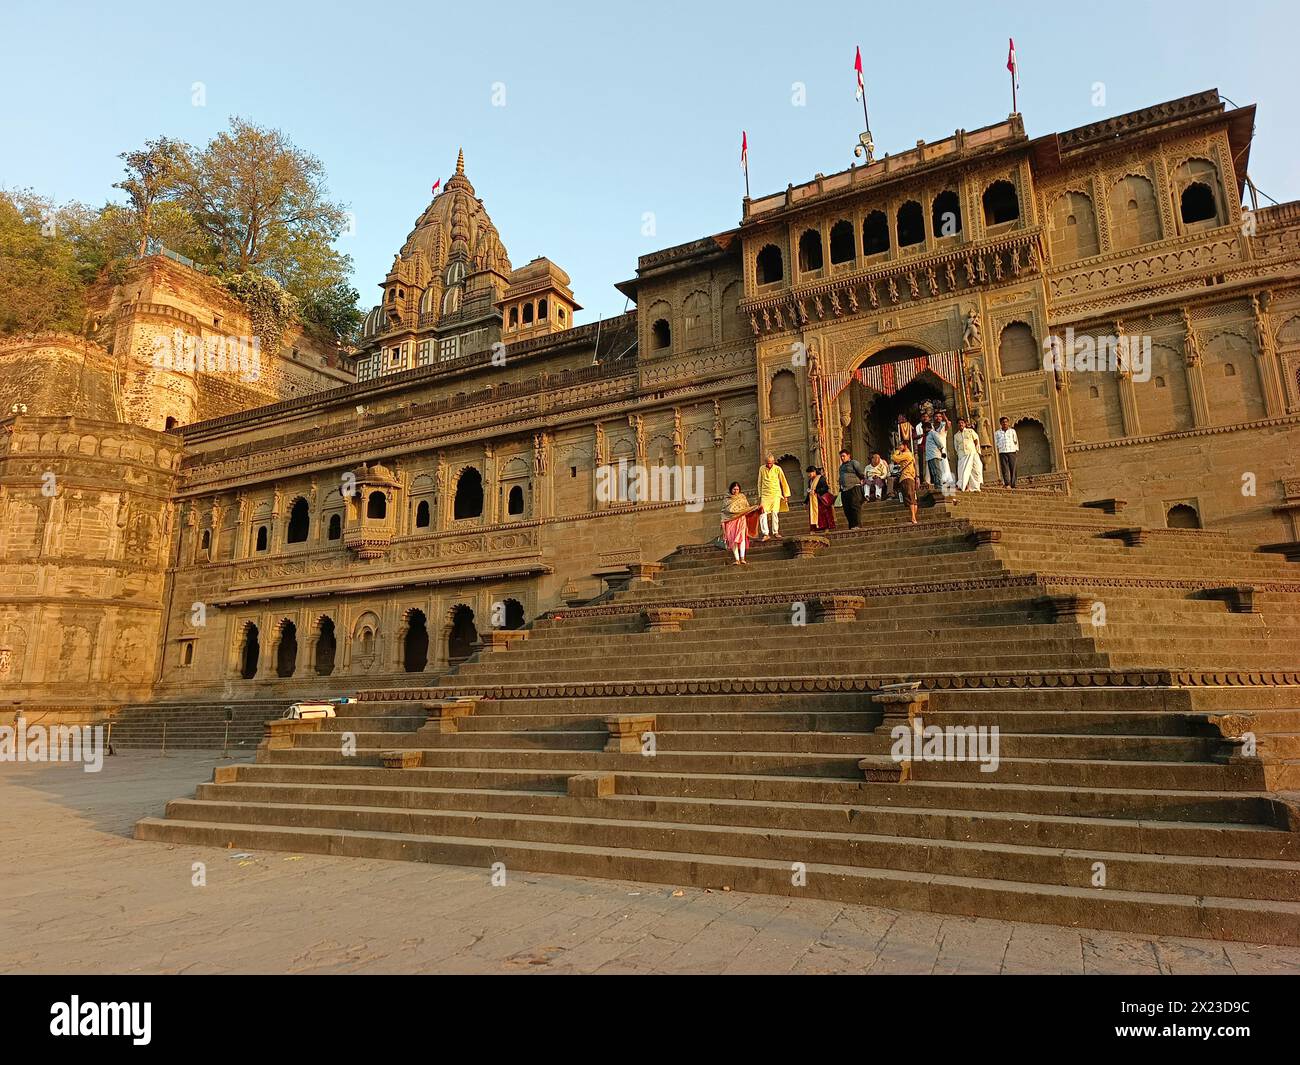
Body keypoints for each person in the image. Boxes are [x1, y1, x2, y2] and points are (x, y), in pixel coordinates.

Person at [720, 481, 761, 564]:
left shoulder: (742, 497)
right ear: (731, 489)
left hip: (741, 520)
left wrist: (756, 508)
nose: (736, 491)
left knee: (741, 539)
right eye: (734, 489)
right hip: (730, 521)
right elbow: (724, 513)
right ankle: (737, 559)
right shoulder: (727, 499)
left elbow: (747, 509)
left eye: (737, 489)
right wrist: (723, 528)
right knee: (733, 540)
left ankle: (742, 558)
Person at [756, 454, 790, 540]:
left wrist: (785, 495)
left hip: (775, 494)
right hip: (765, 494)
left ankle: (775, 532)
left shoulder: (778, 469)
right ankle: (765, 534)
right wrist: (760, 496)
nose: (769, 465)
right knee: (762, 513)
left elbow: (783, 481)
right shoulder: (762, 469)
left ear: (773, 462)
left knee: (775, 513)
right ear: (765, 462)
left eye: (771, 463)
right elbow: (759, 483)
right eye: (768, 463)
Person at [890, 439, 919, 524]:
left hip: (906, 477)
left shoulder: (906, 454)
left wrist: (896, 451)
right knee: (912, 498)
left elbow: (894, 458)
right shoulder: (910, 455)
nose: (899, 447)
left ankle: (913, 518)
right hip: (910, 477)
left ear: (905, 446)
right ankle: (913, 517)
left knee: (910, 498)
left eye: (901, 445)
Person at [837, 448, 866, 528]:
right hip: (844, 490)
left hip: (854, 487)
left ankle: (857, 525)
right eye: (841, 457)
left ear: (848, 455)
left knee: (855, 507)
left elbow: (860, 473)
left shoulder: (854, 463)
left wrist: (862, 480)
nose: (842, 458)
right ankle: (851, 526)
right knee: (847, 509)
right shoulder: (841, 467)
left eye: (843, 456)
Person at [954, 417, 983, 492]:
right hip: (962, 455)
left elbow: (976, 440)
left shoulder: (970, 431)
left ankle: (975, 487)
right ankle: (962, 485)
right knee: (963, 470)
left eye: (962, 423)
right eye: (959, 423)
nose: (961, 424)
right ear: (957, 425)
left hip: (972, 452)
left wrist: (976, 451)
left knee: (975, 470)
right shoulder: (956, 435)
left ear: (965, 424)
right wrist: (960, 453)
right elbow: (956, 446)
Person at [925, 411, 951, 490]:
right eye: (936, 416)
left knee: (944, 465)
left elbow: (949, 425)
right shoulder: (932, 426)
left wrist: (945, 417)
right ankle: (938, 483)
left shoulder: (943, 424)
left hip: (942, 447)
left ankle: (946, 482)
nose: (938, 418)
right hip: (933, 450)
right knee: (936, 467)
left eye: (940, 416)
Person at [805, 466, 836, 531]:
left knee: (824, 515)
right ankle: (815, 528)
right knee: (814, 515)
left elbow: (825, 488)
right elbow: (809, 490)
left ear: (814, 472)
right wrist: (806, 501)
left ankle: (826, 528)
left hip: (821, 500)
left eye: (810, 473)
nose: (809, 475)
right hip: (813, 501)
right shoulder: (810, 481)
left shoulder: (821, 478)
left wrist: (816, 491)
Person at [995, 416, 1019, 488]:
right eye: (1003, 422)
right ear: (1000, 424)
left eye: (1006, 422)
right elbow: (996, 443)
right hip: (1002, 452)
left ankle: (1013, 484)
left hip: (1012, 451)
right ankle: (1007, 483)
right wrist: (999, 449)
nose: (1004, 423)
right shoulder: (997, 433)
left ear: (1008, 423)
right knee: (1004, 468)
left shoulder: (1012, 431)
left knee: (1013, 468)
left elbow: (1016, 441)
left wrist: (1016, 450)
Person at [913, 412, 932, 485]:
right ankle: (925, 480)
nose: (925, 418)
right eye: (923, 416)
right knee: (924, 464)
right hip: (922, 446)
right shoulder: (918, 426)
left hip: (931, 447)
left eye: (926, 416)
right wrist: (923, 435)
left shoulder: (931, 425)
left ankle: (931, 480)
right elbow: (914, 436)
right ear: (921, 418)